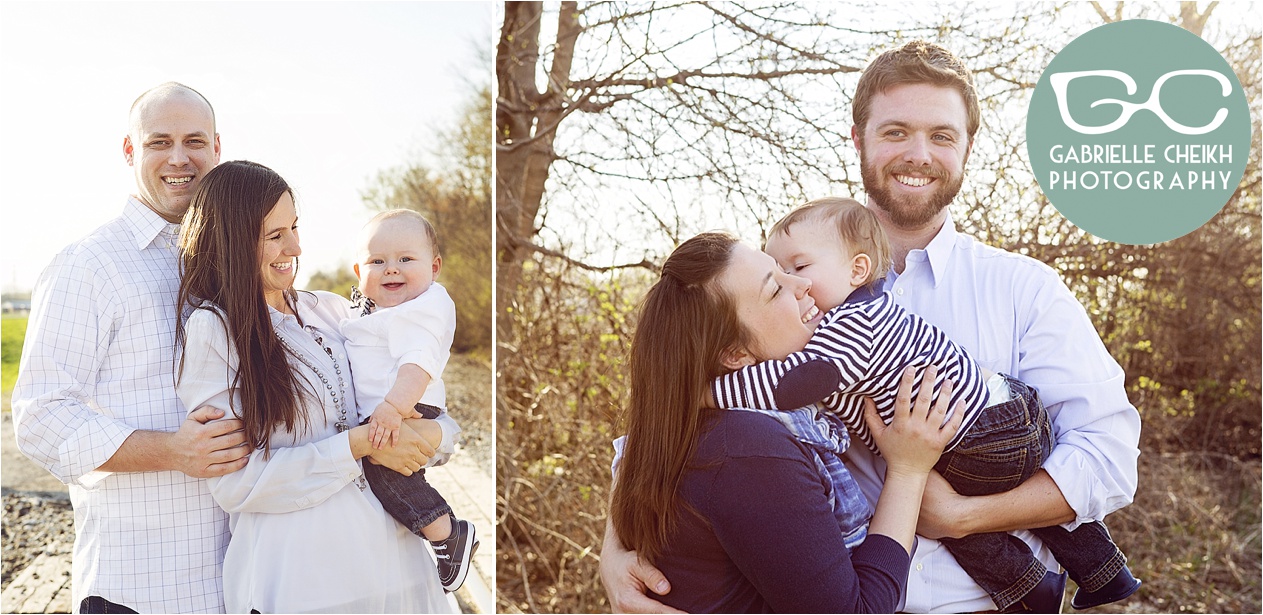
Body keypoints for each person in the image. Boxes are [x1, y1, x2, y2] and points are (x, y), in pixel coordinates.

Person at [601, 40, 1141, 613]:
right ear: (858, 139)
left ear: (967, 147)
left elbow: (1106, 456)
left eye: (941, 135)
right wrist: (616, 545)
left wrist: (962, 517)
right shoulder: (786, 281)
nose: (918, 154)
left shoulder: (1025, 289)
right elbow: (680, 410)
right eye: (895, 131)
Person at [711, 196, 1140, 611]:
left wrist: (707, 391)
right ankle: (1103, 570)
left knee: (949, 506)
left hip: (981, 430)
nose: (796, 283)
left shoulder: (853, 323)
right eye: (781, 274)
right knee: (982, 485)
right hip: (998, 417)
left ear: (857, 269)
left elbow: (799, 381)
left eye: (800, 267)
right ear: (860, 139)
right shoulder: (851, 309)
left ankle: (1031, 587)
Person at [611, 231, 965, 612]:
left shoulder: (700, 428)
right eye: (775, 288)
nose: (801, 284)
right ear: (735, 354)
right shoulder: (749, 450)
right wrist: (909, 472)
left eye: (786, 270)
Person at [12, 82, 249, 614]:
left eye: (194, 141)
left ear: (217, 148)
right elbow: (40, 417)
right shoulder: (89, 264)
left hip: (240, 581)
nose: (179, 158)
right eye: (159, 142)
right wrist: (173, 450)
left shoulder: (237, 263)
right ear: (130, 151)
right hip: (141, 588)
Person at [174, 160, 449, 613]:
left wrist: (437, 436)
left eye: (295, 227)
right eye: (275, 234)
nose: (295, 246)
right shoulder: (214, 331)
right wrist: (361, 445)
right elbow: (237, 485)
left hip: (398, 566)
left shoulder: (335, 311)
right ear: (233, 239)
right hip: (303, 582)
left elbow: (429, 406)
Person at [344, 209, 479, 592]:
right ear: (359, 272)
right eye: (377, 261)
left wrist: (392, 408)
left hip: (406, 404)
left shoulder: (424, 308)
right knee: (390, 473)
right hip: (390, 408)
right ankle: (440, 533)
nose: (391, 269)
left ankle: (447, 533)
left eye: (406, 259)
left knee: (385, 472)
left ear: (434, 267)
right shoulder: (369, 310)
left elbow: (417, 365)